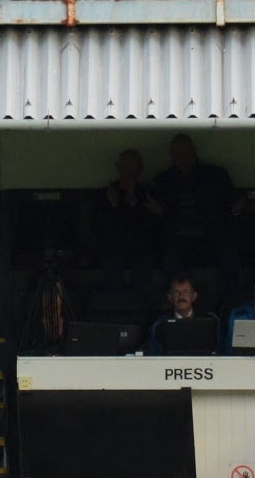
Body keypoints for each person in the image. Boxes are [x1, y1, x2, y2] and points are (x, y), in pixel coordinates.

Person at [152, 134, 240, 303]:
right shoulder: (163, 180)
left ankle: (227, 307)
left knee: (231, 257)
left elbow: (227, 208)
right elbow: (162, 216)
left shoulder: (215, 176)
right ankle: (178, 311)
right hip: (179, 240)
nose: (181, 158)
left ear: (194, 152)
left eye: (185, 153)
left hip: (211, 237)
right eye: (177, 154)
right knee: (169, 258)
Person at [97, 148, 163, 294]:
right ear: (118, 167)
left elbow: (152, 227)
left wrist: (136, 204)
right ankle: (116, 306)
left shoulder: (147, 193)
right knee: (111, 259)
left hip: (142, 247)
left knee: (145, 259)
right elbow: (104, 227)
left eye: (133, 168)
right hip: (115, 247)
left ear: (140, 169)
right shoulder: (109, 192)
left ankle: (141, 310)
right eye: (125, 168)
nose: (128, 173)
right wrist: (115, 206)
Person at [145, 274, 220, 355]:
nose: (181, 296)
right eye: (177, 292)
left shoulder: (211, 320)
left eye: (186, 292)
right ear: (170, 297)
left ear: (194, 296)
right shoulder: (159, 324)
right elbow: (153, 357)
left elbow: (221, 351)